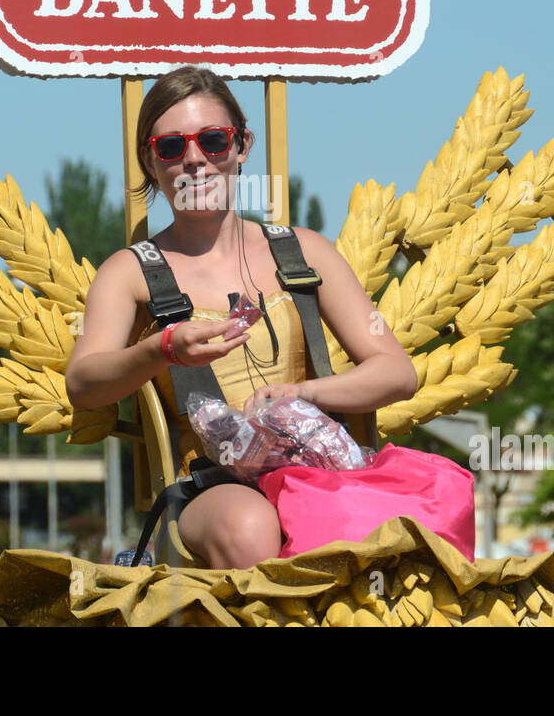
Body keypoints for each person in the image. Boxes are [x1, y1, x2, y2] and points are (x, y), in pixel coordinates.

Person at [65, 65, 418, 569]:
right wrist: (160, 349)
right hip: (208, 488)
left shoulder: (305, 252)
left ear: (242, 144)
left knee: (413, 509)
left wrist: (305, 394)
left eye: (212, 140)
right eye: (170, 147)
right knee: (252, 527)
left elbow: (398, 373)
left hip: (317, 467)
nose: (193, 160)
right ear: (150, 160)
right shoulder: (128, 274)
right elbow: (83, 383)